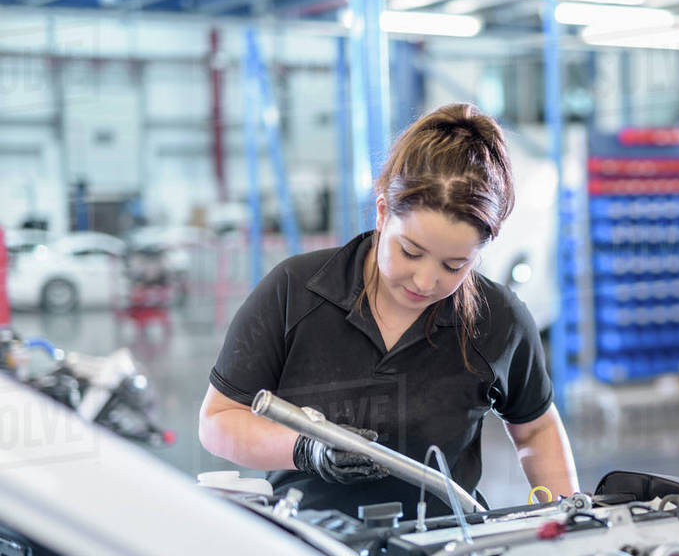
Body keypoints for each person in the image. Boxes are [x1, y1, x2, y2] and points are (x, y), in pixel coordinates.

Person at [198, 103, 580, 515]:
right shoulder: (296, 292)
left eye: (455, 265)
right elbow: (219, 420)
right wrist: (305, 450)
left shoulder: (497, 321)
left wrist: (571, 522)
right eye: (410, 251)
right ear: (383, 212)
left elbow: (536, 429)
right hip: (311, 549)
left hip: (443, 554)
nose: (424, 281)